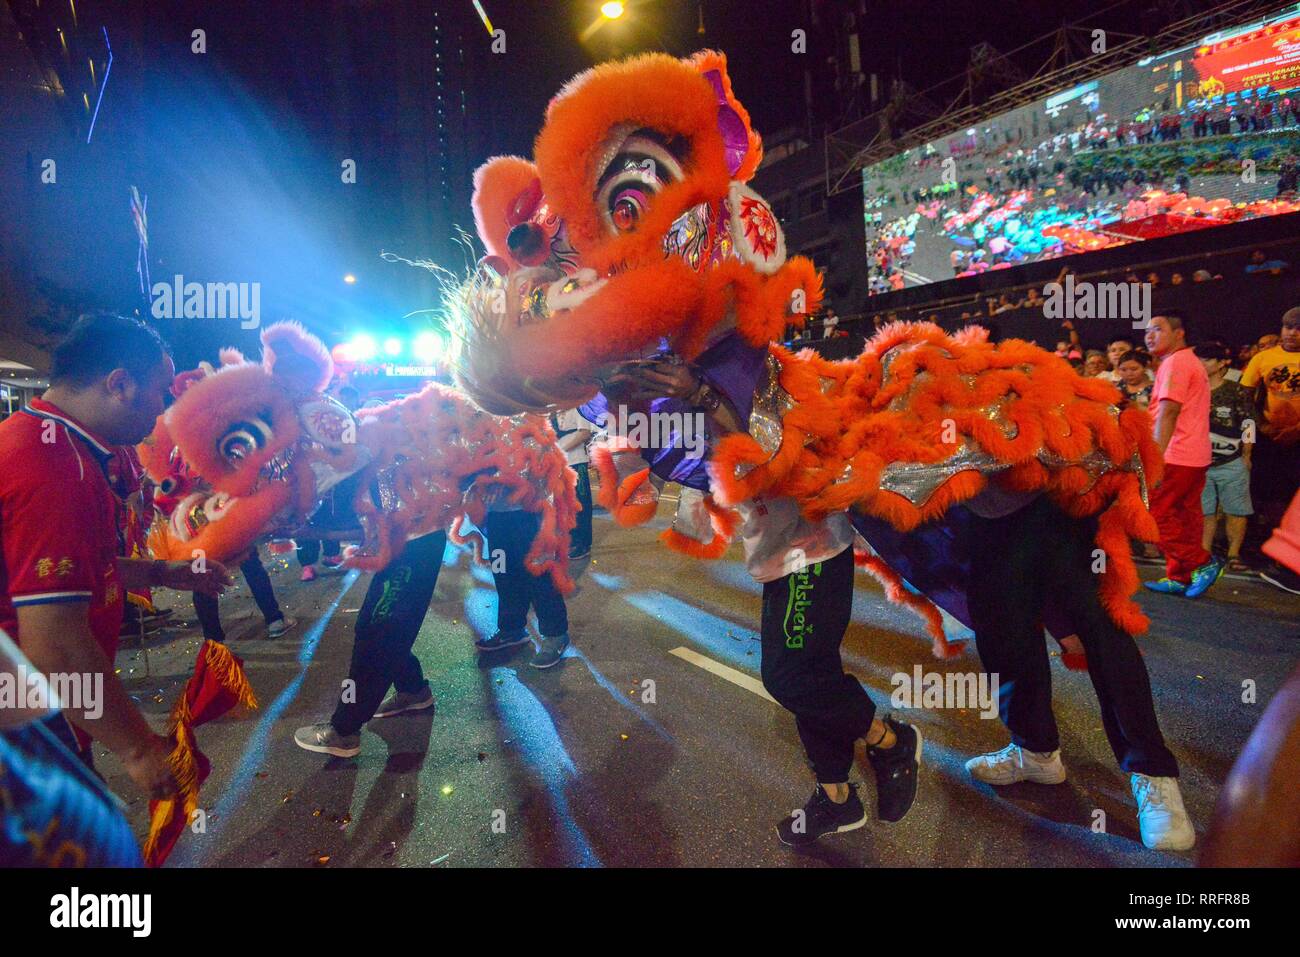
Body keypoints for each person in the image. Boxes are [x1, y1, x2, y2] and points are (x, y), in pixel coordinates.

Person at [0, 314, 230, 798]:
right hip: (24, 724)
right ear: (120, 384)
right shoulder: (53, 465)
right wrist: (139, 749)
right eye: (162, 390)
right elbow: (54, 641)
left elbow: (65, 569)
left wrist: (162, 572)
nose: (164, 407)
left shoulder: (56, 442)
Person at [295, 531, 445, 757]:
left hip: (413, 543)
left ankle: (343, 730)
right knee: (383, 627)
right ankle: (412, 688)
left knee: (375, 633)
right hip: (407, 542)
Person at [1143, 313, 1224, 597]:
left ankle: (1203, 562)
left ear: (1179, 333)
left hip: (1175, 455)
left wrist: (1154, 457)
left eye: (1157, 329)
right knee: (1184, 517)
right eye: (1147, 330)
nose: (1149, 335)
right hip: (1194, 455)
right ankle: (1180, 577)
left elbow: (1169, 412)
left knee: (1153, 515)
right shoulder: (1188, 361)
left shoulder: (1176, 362)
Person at [1240, 307, 1300, 593]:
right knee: (1264, 493)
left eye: (1298, 328)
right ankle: (1265, 551)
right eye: (1288, 327)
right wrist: (1261, 426)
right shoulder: (1263, 358)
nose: (1292, 333)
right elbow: (1246, 396)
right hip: (1268, 437)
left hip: (1297, 438)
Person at [1195, 341, 1255, 572]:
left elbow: (1248, 422)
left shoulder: (1235, 390)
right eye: (1199, 359)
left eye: (1208, 359)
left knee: (1236, 510)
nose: (1202, 364)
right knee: (1204, 510)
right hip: (1199, 461)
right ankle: (1204, 552)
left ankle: (1233, 554)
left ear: (1222, 363)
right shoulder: (1191, 389)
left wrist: (1247, 455)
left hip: (1232, 460)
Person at [193, 548, 295, 641]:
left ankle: (213, 640)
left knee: (202, 577)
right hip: (228, 531)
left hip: (195, 537)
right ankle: (275, 620)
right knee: (251, 563)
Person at [551, 407, 595, 559]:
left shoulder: (579, 408)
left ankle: (583, 544)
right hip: (559, 464)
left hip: (577, 462)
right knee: (564, 505)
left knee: (581, 504)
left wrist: (561, 449)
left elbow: (585, 432)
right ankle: (570, 541)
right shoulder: (553, 411)